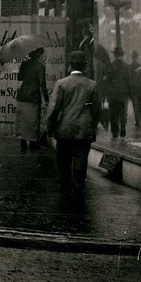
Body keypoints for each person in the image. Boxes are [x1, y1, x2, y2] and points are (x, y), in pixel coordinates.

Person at [47, 50, 102, 196]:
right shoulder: (92, 85)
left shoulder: (61, 83)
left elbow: (53, 109)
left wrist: (50, 129)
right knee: (81, 161)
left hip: (64, 129)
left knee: (63, 161)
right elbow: (97, 110)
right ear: (85, 66)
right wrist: (92, 127)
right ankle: (78, 188)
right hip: (84, 130)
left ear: (70, 65)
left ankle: (65, 189)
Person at [15, 46, 49, 151]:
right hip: (33, 96)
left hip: (22, 94)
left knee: (22, 119)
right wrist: (46, 99)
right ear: (38, 55)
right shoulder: (40, 66)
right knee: (34, 119)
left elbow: (19, 77)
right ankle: (33, 143)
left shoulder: (24, 64)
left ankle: (23, 141)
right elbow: (42, 83)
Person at [105, 46, 131, 138]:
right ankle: (123, 127)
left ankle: (114, 131)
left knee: (113, 112)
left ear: (114, 55)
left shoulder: (110, 66)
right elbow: (129, 81)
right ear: (122, 55)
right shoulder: (127, 66)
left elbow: (107, 81)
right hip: (123, 94)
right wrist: (129, 94)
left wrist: (106, 94)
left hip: (112, 94)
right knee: (123, 111)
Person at [128, 50, 141, 129]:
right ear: (137, 57)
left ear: (132, 57)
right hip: (140, 88)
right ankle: (139, 120)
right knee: (139, 104)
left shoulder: (130, 66)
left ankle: (137, 120)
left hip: (133, 88)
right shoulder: (140, 66)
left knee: (135, 105)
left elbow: (129, 79)